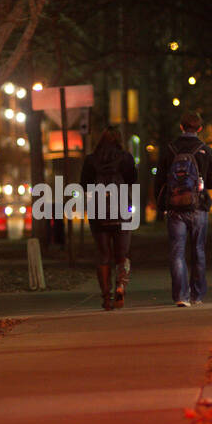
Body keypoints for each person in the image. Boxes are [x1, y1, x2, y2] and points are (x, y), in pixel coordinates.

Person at [156, 111, 212, 307]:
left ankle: (180, 296)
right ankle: (197, 295)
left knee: (177, 251)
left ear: (181, 126)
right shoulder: (206, 151)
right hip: (199, 206)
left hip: (175, 208)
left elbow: (159, 181)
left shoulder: (169, 150)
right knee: (198, 250)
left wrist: (163, 206)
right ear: (200, 128)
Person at [80, 125, 138, 310]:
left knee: (103, 255)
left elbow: (84, 185)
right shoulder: (126, 158)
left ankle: (106, 296)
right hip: (121, 211)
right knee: (122, 255)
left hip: (98, 212)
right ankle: (120, 286)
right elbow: (132, 180)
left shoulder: (91, 160)